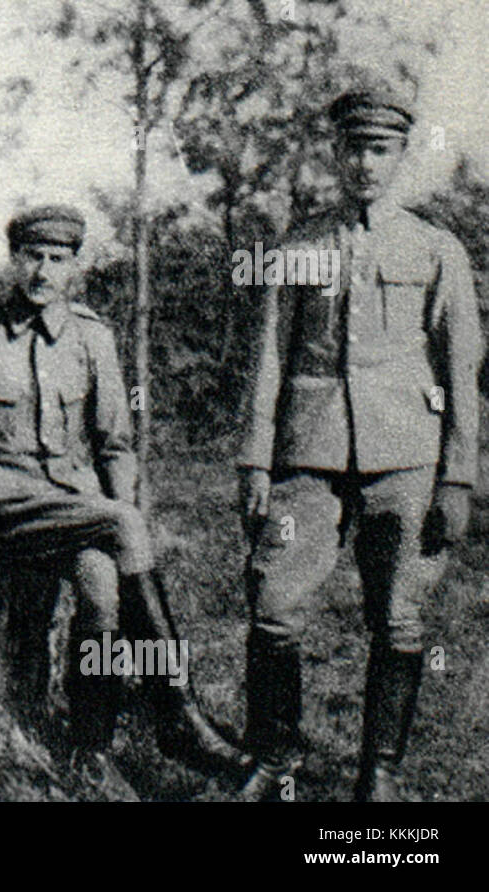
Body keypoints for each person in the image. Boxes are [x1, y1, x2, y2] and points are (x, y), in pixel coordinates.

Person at [0, 205, 245, 801]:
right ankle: (179, 715)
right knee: (121, 524)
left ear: (75, 266)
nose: (42, 271)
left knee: (100, 583)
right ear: (14, 260)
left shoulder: (93, 338)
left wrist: (122, 524)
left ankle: (92, 748)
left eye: (57, 259)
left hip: (74, 505)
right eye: (32, 257)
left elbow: (115, 444)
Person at [236, 77, 481, 802]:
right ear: (335, 154)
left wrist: (458, 477)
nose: (365, 164)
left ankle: (380, 774)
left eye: (380, 150)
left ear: (402, 154)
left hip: (406, 455)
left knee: (399, 616)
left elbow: (460, 368)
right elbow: (269, 359)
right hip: (307, 453)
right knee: (273, 604)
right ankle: (273, 759)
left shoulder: (438, 249)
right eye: (353, 149)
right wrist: (254, 457)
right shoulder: (300, 245)